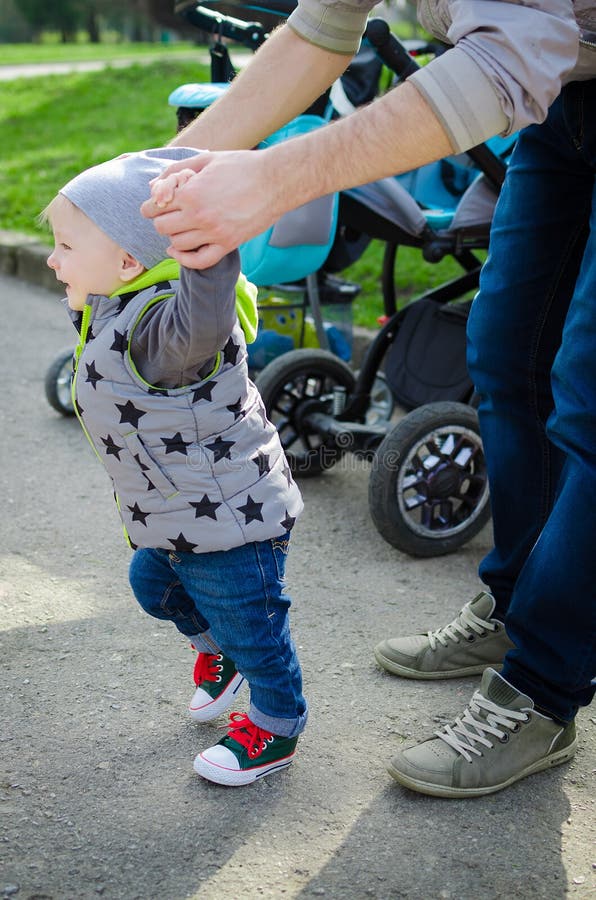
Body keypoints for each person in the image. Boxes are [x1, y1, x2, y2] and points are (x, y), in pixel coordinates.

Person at [140, 1, 596, 797]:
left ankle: (545, 687)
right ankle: (517, 602)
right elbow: (318, 31)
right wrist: (148, 183)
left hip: (539, 68)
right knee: (506, 358)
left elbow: (505, 61)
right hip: (568, 105)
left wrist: (274, 179)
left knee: (589, 404)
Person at [43, 148, 307, 787]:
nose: (52, 259)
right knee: (152, 585)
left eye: (67, 247)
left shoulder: (165, 334)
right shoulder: (110, 306)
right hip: (180, 519)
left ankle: (277, 724)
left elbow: (204, 316)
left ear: (129, 262)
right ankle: (220, 653)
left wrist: (203, 244)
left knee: (256, 627)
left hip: (231, 521)